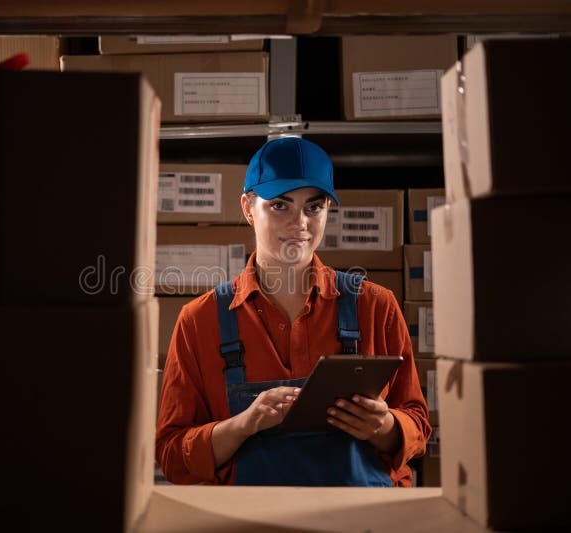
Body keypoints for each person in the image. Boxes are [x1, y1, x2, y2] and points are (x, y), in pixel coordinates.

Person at [155, 137, 430, 486]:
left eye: (314, 207)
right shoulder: (200, 321)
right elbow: (172, 456)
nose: (299, 223)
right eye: (280, 206)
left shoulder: (376, 307)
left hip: (360, 518)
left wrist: (386, 426)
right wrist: (243, 425)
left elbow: (418, 425)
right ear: (247, 208)